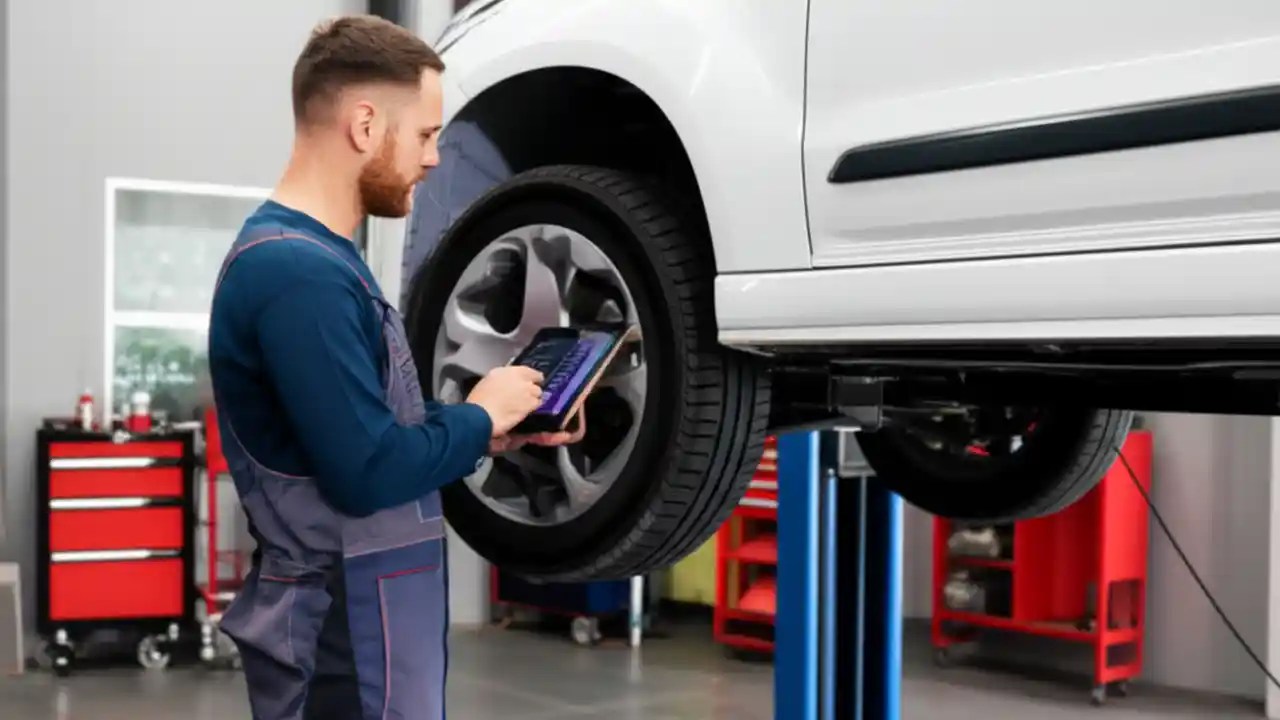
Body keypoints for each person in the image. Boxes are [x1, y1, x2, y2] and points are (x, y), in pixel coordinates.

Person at [207, 15, 582, 720]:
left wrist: (488, 431)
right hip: (340, 632)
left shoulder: (321, 261)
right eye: (425, 134)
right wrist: (476, 415)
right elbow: (365, 470)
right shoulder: (296, 274)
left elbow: (358, 432)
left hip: (365, 615)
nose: (436, 157)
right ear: (366, 124)